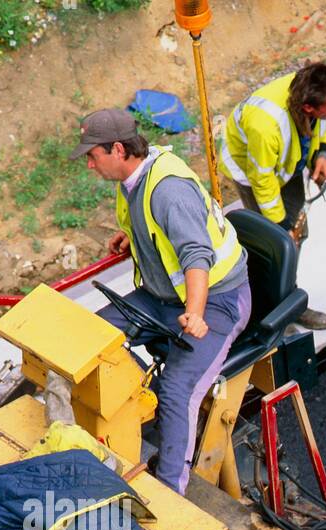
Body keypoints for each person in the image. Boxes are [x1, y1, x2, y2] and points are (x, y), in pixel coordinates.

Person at [73, 109, 251, 497]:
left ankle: (171, 493)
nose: (88, 164)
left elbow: (196, 255)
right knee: (88, 339)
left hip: (217, 302)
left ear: (118, 149)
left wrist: (197, 313)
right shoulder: (133, 180)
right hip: (161, 298)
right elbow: (155, 229)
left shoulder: (168, 191)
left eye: (92, 155)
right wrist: (132, 237)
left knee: (176, 391)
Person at [219, 62, 326, 331]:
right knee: (272, 248)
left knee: (296, 238)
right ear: (308, 108)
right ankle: (268, 312)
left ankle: (285, 301)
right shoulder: (265, 125)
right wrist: (280, 227)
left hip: (286, 163)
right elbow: (262, 180)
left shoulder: (314, 92)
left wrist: (322, 153)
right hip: (256, 174)